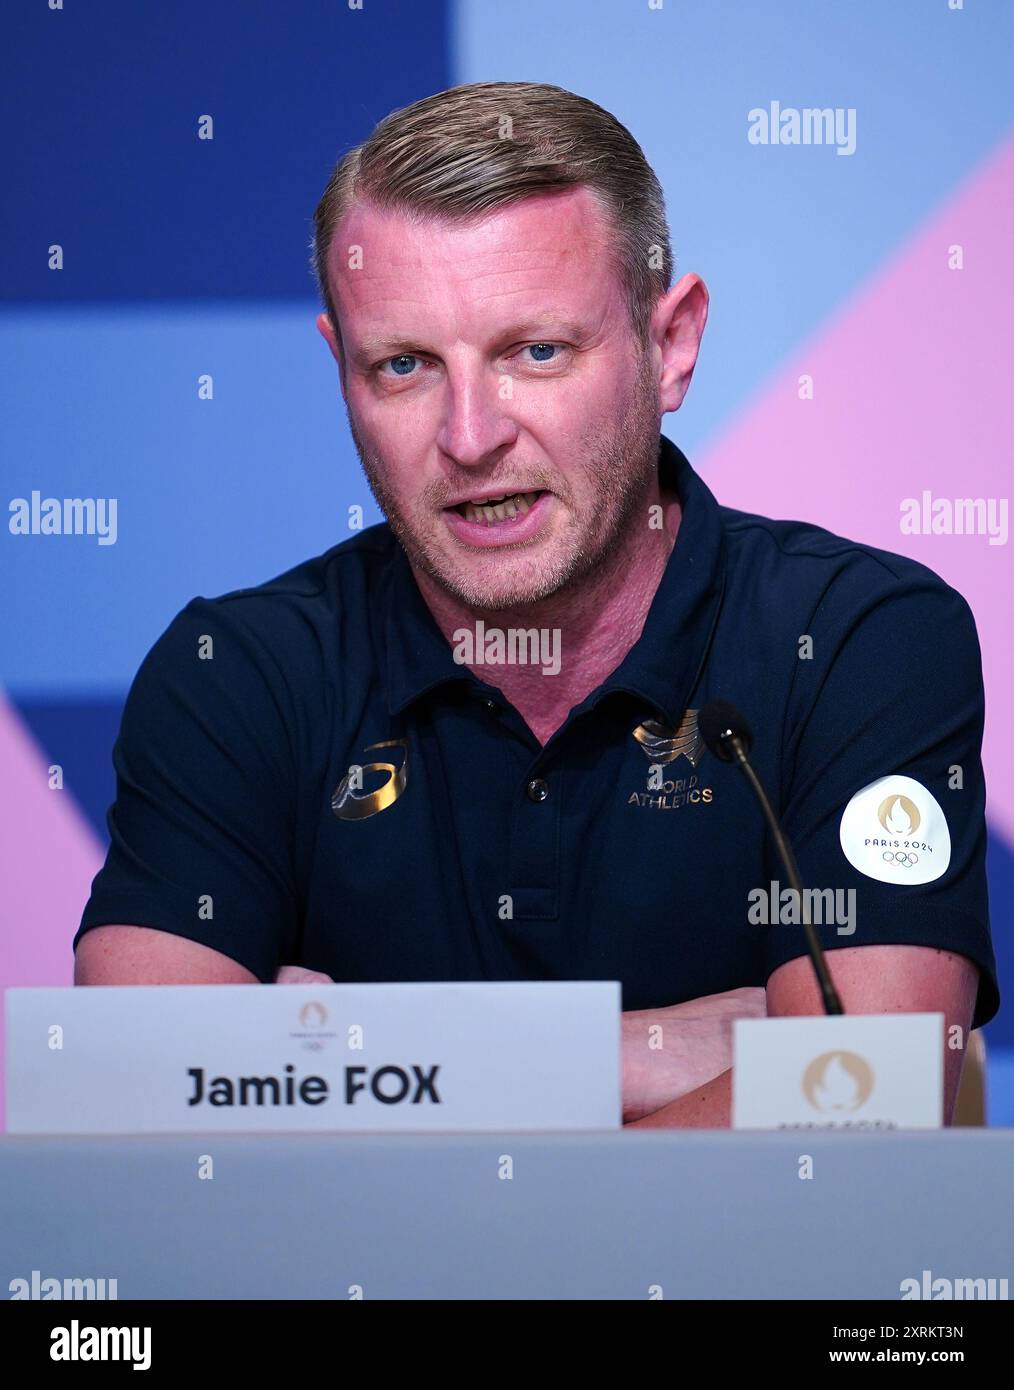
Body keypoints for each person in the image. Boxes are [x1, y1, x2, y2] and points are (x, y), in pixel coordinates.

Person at [74, 81, 998, 1127]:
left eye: (536, 353)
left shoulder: (856, 640)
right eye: (406, 365)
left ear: (673, 345)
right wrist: (611, 1055)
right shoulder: (234, 675)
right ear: (341, 371)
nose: (471, 437)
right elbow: (139, 1107)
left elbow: (866, 1100)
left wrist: (337, 1066)